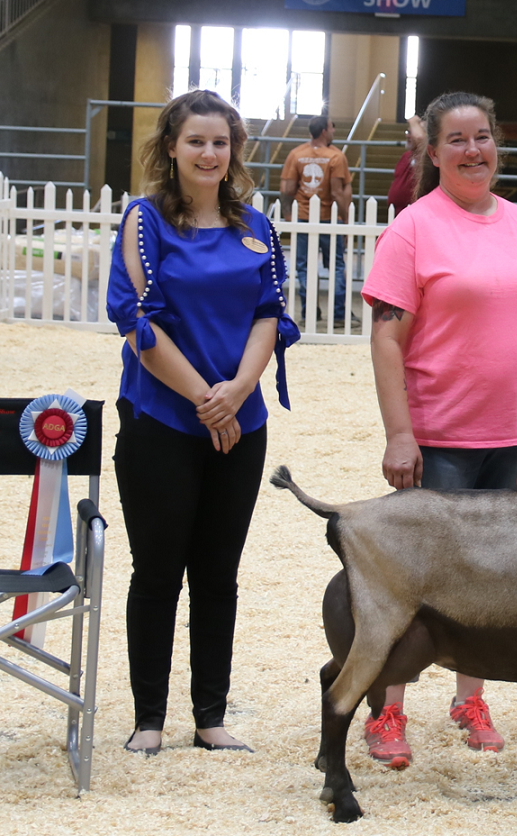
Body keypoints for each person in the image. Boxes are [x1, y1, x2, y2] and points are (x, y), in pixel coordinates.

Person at [360, 91, 517, 769]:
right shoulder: (413, 229)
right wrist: (400, 434)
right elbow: (387, 339)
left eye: (482, 136)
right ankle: (387, 709)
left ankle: (469, 699)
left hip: (512, 437)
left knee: (489, 579)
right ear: (433, 152)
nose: (473, 150)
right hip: (438, 438)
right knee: (415, 582)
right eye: (456, 140)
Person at [107, 89, 300, 756]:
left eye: (220, 142)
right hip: (163, 419)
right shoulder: (144, 221)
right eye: (196, 141)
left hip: (240, 423)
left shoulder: (256, 226)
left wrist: (239, 390)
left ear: (233, 150)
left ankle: (210, 717)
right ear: (171, 147)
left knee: (218, 575)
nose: (209, 153)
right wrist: (203, 398)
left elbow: (269, 312)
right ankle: (149, 720)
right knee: (157, 572)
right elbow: (138, 320)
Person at [280, 115, 354, 325]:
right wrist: (345, 220)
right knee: (336, 266)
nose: (333, 131)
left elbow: (287, 189)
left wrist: (288, 215)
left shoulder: (297, 154)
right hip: (329, 219)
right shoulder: (336, 156)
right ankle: (338, 314)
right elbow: (338, 192)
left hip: (303, 218)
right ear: (324, 131)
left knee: (305, 267)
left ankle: (309, 312)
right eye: (331, 127)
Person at [386, 115, 425, 216]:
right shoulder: (406, 156)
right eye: (408, 132)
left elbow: (420, 138)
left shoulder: (426, 157)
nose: (408, 136)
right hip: (397, 213)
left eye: (411, 133)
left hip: (416, 214)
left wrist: (413, 121)